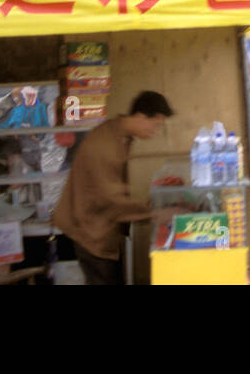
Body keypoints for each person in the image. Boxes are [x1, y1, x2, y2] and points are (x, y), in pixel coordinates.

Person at [51, 91, 174, 285]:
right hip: (91, 232)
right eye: (156, 125)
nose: (156, 131)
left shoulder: (118, 133)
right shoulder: (105, 145)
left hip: (101, 227)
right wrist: (155, 214)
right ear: (141, 117)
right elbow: (112, 198)